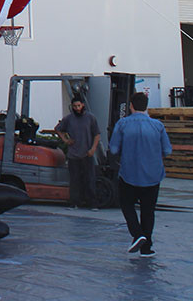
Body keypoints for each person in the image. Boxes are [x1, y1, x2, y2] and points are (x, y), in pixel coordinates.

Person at [108, 92, 171, 257]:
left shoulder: (122, 124)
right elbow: (167, 150)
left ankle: (138, 234)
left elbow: (113, 149)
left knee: (127, 205)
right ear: (147, 106)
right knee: (148, 211)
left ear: (131, 106)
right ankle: (146, 247)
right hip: (153, 175)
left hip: (129, 173)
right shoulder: (157, 126)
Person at [56, 95, 101, 208]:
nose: (77, 108)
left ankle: (92, 203)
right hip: (73, 155)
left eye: (78, 106)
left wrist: (93, 149)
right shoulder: (69, 118)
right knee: (74, 180)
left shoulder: (91, 118)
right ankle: (74, 203)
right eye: (74, 106)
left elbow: (97, 134)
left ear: (83, 105)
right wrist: (66, 140)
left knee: (89, 179)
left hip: (87, 153)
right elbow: (58, 129)